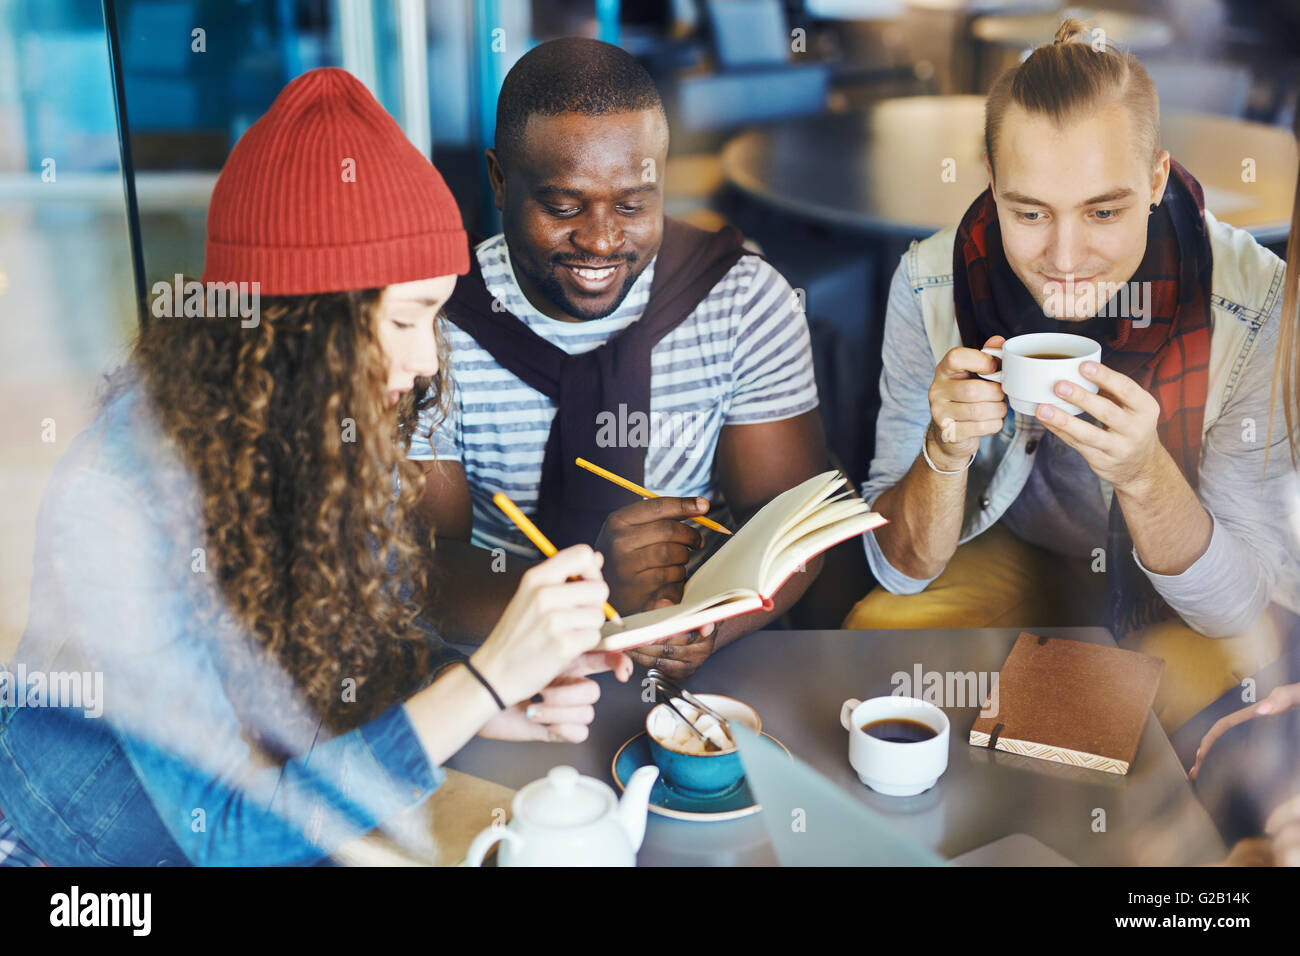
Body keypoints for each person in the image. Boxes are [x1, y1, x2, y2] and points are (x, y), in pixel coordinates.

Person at [0, 68, 630, 867]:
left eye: (433, 317)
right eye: (403, 318)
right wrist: (485, 684)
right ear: (303, 327)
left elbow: (356, 656)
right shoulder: (115, 503)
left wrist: (492, 692)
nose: (421, 360)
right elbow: (225, 835)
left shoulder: (326, 421)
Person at [843, 18, 1298, 732]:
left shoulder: (1256, 299)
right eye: (1029, 212)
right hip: (1019, 550)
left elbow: (1236, 604)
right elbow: (899, 569)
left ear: (1154, 181)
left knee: (1079, 733)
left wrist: (1146, 477)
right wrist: (943, 452)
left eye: (1103, 211)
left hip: (1188, 602)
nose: (1064, 255)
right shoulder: (933, 281)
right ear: (992, 185)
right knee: (873, 654)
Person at [412, 38, 829, 679]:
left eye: (633, 205)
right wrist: (595, 609)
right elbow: (425, 566)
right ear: (498, 180)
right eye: (564, 206)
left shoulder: (742, 300)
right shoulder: (433, 321)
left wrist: (702, 624)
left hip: (690, 654)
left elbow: (791, 532)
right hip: (499, 661)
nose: (602, 240)